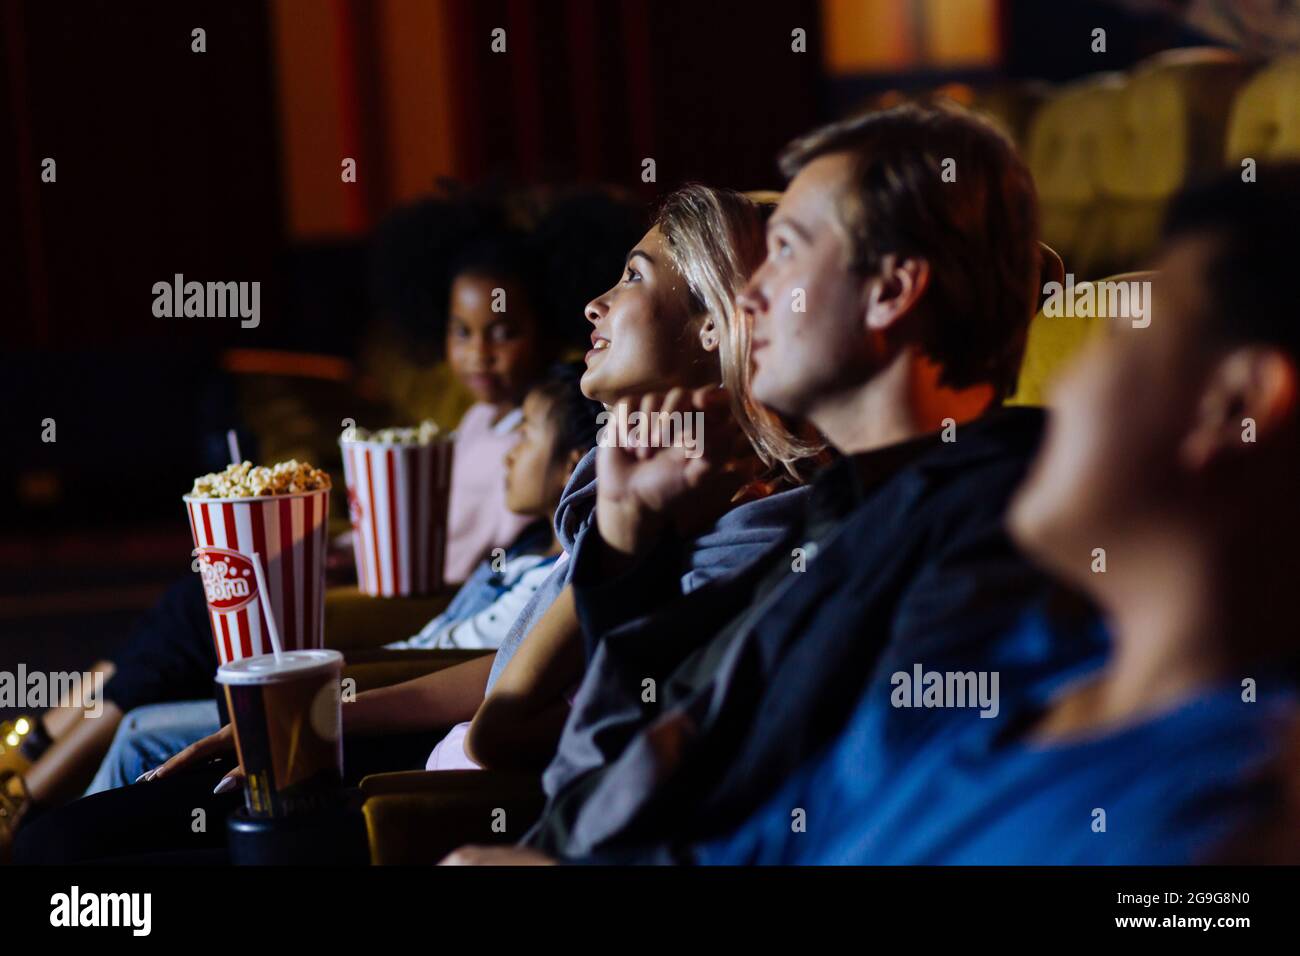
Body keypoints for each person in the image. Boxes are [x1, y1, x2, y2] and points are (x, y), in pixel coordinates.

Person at [14, 184, 820, 862]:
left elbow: (517, 728)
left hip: (420, 807)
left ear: (715, 327)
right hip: (398, 764)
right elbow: (500, 663)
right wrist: (314, 716)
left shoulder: (745, 537)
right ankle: (31, 767)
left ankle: (26, 771)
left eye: (633, 278)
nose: (595, 303)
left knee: (67, 854)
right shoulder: (633, 482)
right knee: (70, 838)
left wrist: (619, 545)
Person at [443, 102, 1090, 865]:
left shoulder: (973, 537)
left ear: (890, 292)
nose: (748, 297)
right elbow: (608, 786)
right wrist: (623, 555)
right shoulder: (839, 514)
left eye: (785, 252)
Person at [693, 166, 1300, 865]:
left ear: (1235, 406)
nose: (1060, 388)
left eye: (1114, 342)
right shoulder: (990, 662)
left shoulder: (1223, 824)